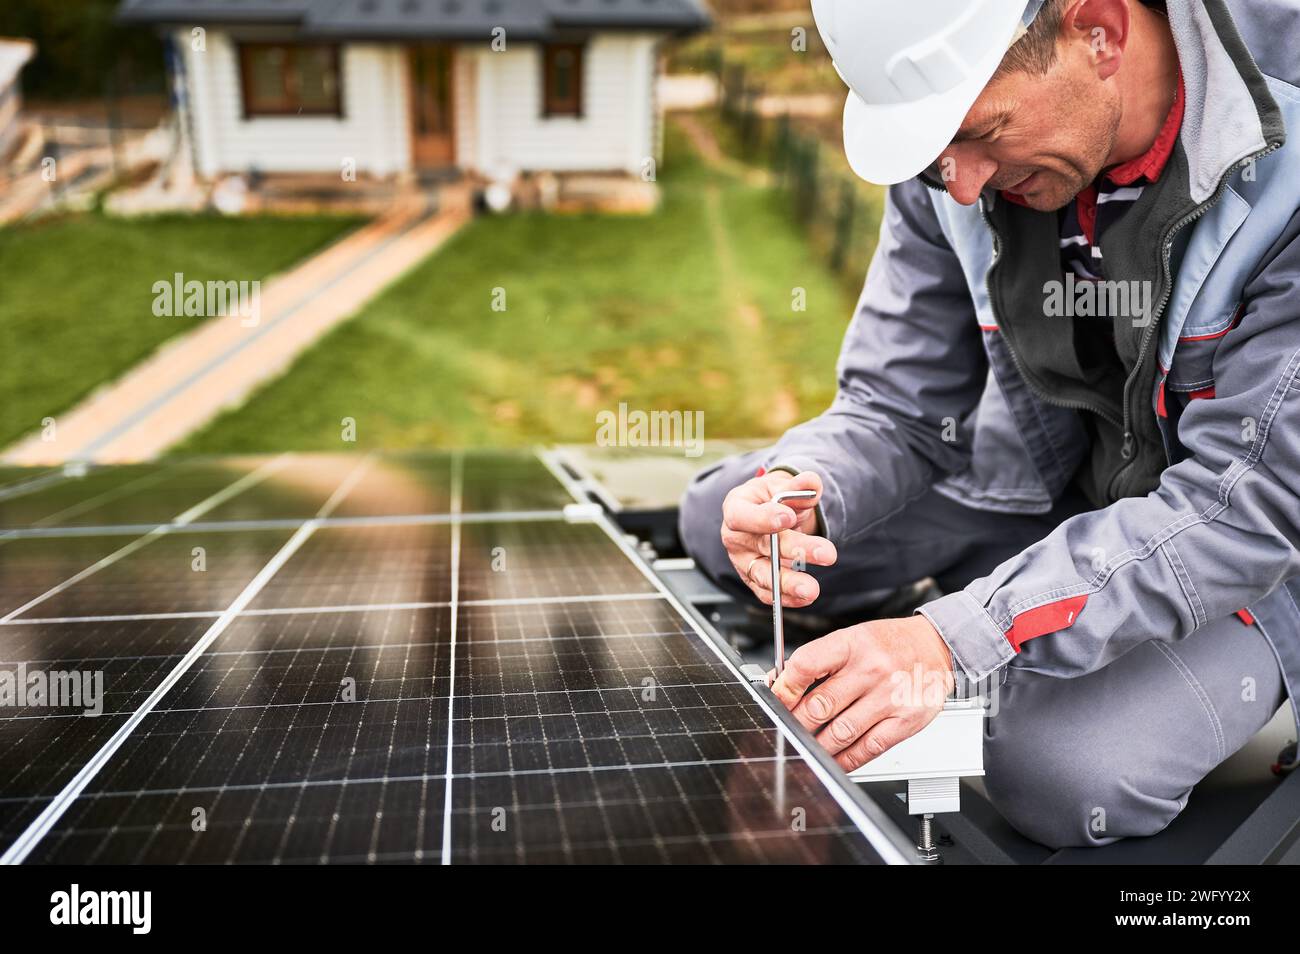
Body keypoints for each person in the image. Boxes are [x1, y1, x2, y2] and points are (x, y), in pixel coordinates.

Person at [679, 0, 1300, 848]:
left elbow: (1245, 508)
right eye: (938, 154)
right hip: (1056, 498)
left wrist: (956, 639)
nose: (963, 187)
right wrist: (800, 493)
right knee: (721, 523)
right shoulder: (951, 160)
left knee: (1063, 770)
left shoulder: (1284, 156)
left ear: (1100, 32)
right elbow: (897, 405)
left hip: (1252, 550)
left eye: (983, 134)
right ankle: (1011, 603)